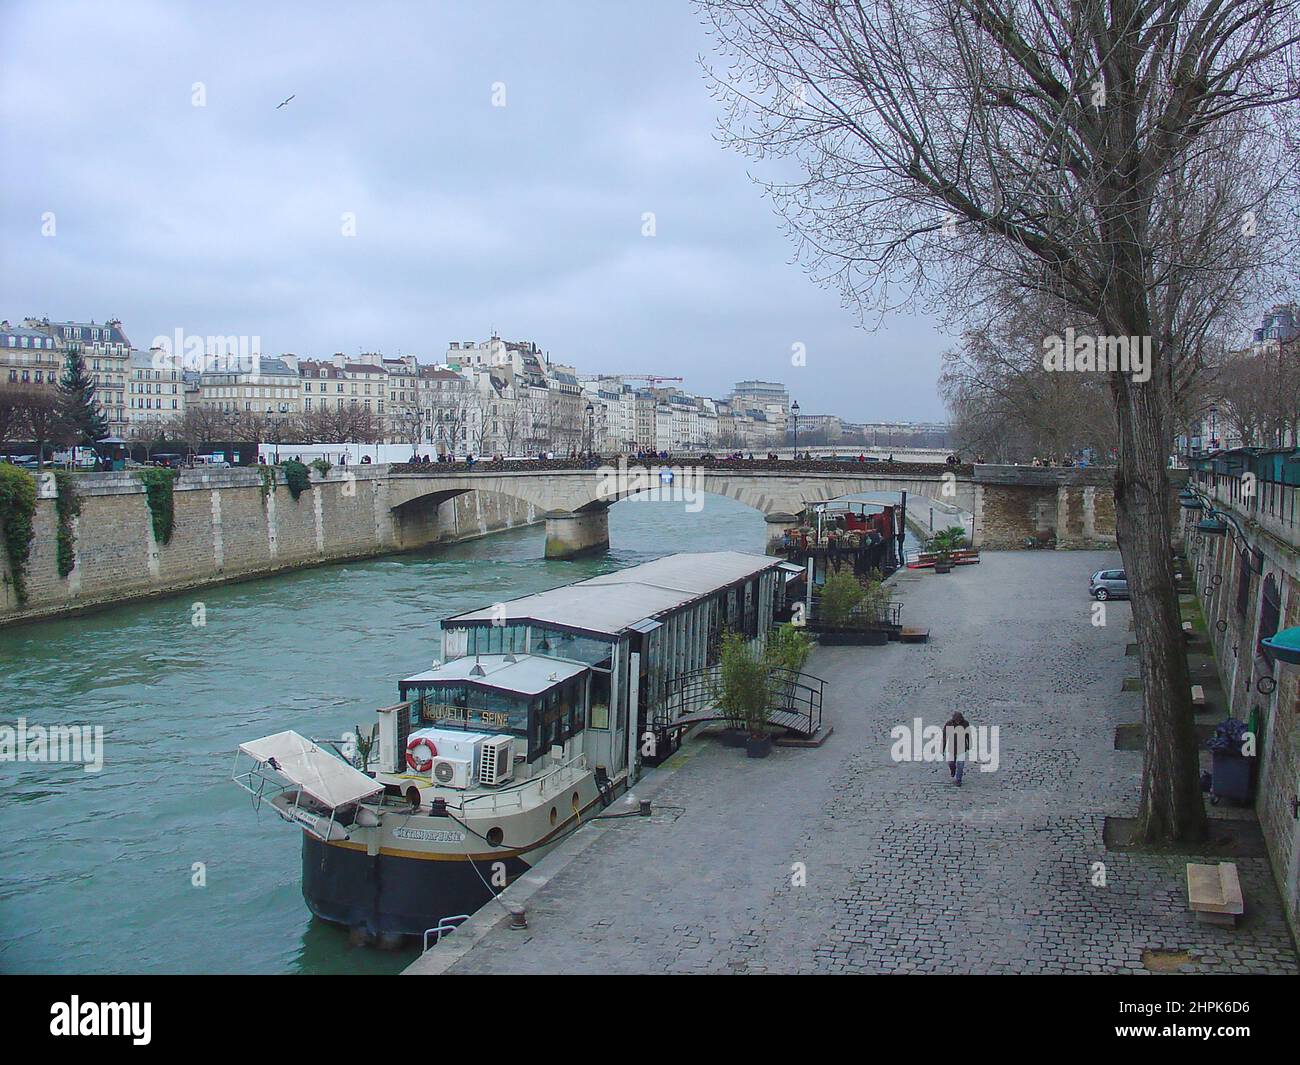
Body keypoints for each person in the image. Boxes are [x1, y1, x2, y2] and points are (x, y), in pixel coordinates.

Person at [944, 711, 971, 786]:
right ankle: (953, 769)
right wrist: (942, 748)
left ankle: (958, 780)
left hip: (962, 747)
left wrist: (969, 744)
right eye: (956, 720)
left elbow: (968, 735)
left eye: (959, 720)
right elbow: (944, 737)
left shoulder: (965, 724)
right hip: (951, 747)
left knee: (960, 764)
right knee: (951, 762)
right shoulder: (949, 724)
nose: (958, 722)